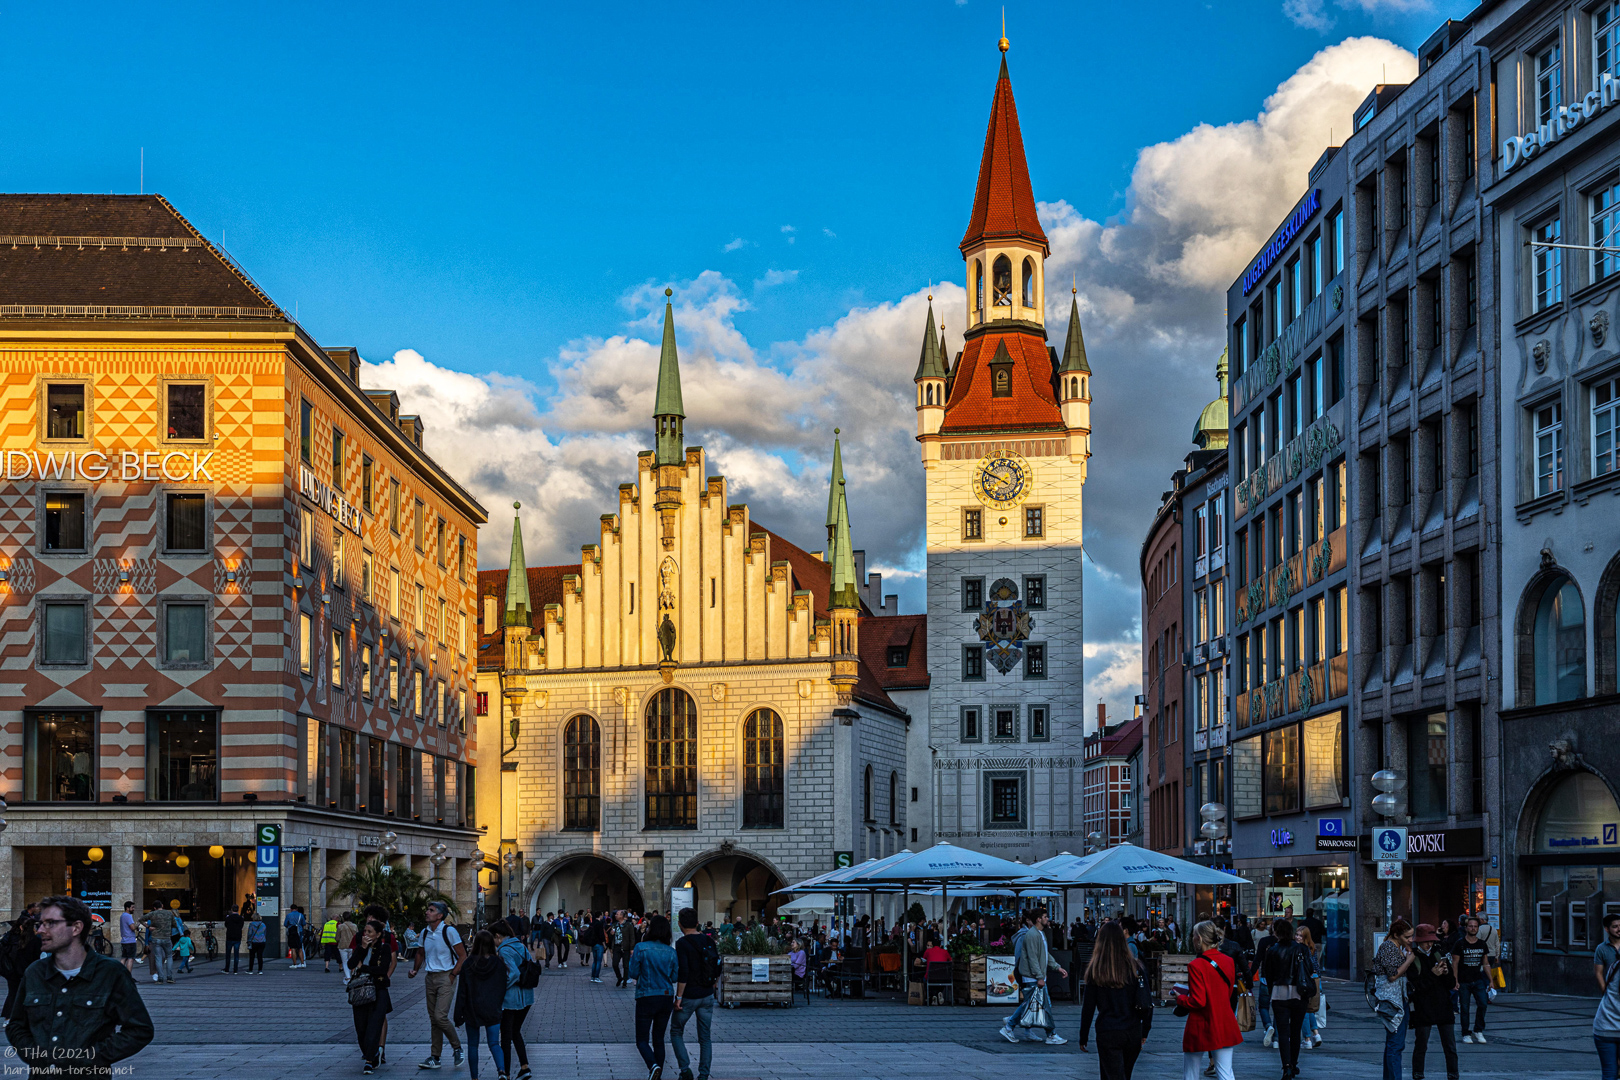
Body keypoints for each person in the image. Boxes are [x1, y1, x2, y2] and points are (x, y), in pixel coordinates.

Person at [5, 895, 152, 1075]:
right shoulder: (35, 973)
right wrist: (37, 1056)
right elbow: (16, 1025)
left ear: (76, 928)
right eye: (40, 923)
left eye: (50, 923)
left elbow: (140, 1029)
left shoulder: (110, 973)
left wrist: (92, 1057)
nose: (41, 930)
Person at [1077, 922, 1153, 1080]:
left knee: (1111, 1074)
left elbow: (1088, 1008)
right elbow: (1147, 1000)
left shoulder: (1096, 970)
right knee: (1124, 1074)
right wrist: (1144, 1030)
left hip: (1108, 1029)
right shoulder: (1135, 968)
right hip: (1132, 1030)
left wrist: (1083, 1036)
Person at [1172, 920, 1240, 1080]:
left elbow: (1198, 1001)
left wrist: (1180, 998)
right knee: (1226, 1073)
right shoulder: (1228, 961)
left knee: (1191, 1073)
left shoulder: (1196, 965)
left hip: (1201, 1023)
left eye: (1194, 936)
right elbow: (1228, 991)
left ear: (1200, 939)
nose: (1193, 939)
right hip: (1224, 1021)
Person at [409, 900, 466, 1070]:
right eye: (428, 909)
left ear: (440, 915)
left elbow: (462, 956)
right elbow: (420, 952)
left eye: (431, 910)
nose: (427, 912)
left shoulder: (449, 931)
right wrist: (415, 970)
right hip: (430, 977)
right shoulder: (425, 932)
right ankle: (435, 1057)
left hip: (445, 976)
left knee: (440, 1016)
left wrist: (453, 975)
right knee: (434, 1019)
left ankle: (457, 1048)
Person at [998, 908, 1068, 1045]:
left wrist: (1057, 967)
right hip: (1032, 977)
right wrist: (1039, 976)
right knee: (1040, 1005)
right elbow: (1032, 958)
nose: (1047, 919)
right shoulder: (1032, 935)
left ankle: (1011, 1025)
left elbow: (1045, 955)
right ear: (1038, 919)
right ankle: (1050, 1034)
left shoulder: (1040, 934)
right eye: (1045, 916)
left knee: (1031, 1004)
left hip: (1035, 977)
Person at [629, 913, 679, 1080]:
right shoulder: (671, 952)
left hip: (646, 996)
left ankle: (653, 1065)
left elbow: (633, 973)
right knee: (659, 1038)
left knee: (641, 1040)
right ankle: (658, 1073)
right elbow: (674, 977)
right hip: (666, 997)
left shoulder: (641, 948)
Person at [453, 931, 507, 1080]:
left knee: (473, 1045)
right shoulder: (499, 963)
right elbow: (503, 986)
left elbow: (462, 991)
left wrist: (458, 1015)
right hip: (493, 1008)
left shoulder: (469, 964)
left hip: (472, 1008)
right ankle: (502, 1071)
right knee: (494, 1043)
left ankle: (475, 1077)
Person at [1260, 918, 1310, 1078]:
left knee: (1283, 1032)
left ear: (1276, 933)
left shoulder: (1272, 950)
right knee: (1296, 1031)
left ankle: (1286, 1066)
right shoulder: (1301, 949)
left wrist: (1271, 990)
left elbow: (1268, 974)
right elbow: (1308, 969)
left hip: (1279, 994)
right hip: (1299, 994)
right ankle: (1294, 1064)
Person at [672, 907, 718, 1080]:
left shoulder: (682, 943)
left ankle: (685, 1070)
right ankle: (704, 1075)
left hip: (689, 995)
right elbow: (716, 966)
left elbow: (683, 972)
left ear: (679, 924)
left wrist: (678, 998)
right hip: (707, 995)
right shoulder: (709, 941)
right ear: (698, 923)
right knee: (705, 1037)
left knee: (676, 1031)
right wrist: (712, 985)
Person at [1409, 924, 1458, 1080]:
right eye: (1425, 941)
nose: (1428, 944)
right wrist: (1433, 974)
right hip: (1424, 1009)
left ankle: (1453, 1073)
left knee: (1450, 1045)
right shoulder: (1413, 958)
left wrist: (1445, 973)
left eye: (1431, 941)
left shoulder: (1439, 954)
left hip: (1443, 1007)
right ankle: (1418, 1073)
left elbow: (1451, 984)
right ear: (1418, 942)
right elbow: (1416, 987)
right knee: (1421, 1044)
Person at [348, 919, 395, 1075]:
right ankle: (371, 1053)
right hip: (361, 991)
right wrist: (362, 948)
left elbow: (382, 969)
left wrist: (364, 967)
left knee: (374, 1026)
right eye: (364, 932)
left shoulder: (384, 948)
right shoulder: (361, 948)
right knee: (361, 1028)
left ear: (378, 934)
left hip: (378, 990)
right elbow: (351, 964)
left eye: (369, 932)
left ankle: (369, 1061)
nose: (365, 934)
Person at [1373, 919, 1417, 1080]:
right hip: (1392, 1001)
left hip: (1398, 999)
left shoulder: (1396, 947)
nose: (1410, 940)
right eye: (1407, 937)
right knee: (1395, 1044)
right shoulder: (1389, 948)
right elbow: (1392, 975)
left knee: (1395, 1043)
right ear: (1396, 935)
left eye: (1412, 936)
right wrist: (1409, 960)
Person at [492, 920, 534, 1080]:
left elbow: (514, 974)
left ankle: (506, 1073)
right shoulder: (521, 946)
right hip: (527, 997)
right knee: (515, 1032)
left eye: (493, 940)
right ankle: (525, 1067)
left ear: (497, 936)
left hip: (511, 1000)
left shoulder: (504, 950)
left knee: (506, 1036)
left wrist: (500, 989)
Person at [1451, 916, 1494, 1044]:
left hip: (1478, 979)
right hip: (1464, 981)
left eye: (1475, 926)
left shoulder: (1481, 944)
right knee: (1464, 1008)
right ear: (1466, 928)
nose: (1473, 928)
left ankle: (1478, 1030)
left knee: (1483, 1004)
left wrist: (1491, 980)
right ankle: (1466, 1033)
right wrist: (1455, 980)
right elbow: (1455, 963)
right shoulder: (1460, 943)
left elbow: (1486, 963)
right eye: (1470, 926)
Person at [1594, 912, 1620, 1080]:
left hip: (1604, 1025)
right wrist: (1606, 991)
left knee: (1610, 1073)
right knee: (1610, 1072)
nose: (1619, 929)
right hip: (1608, 1023)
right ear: (1607, 929)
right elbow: (1598, 972)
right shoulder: (1602, 948)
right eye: (1615, 926)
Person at [1296, 925, 1322, 1049]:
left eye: (1300, 935)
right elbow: (1316, 965)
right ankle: (1316, 1034)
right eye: (1296, 934)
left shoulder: (1302, 949)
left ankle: (1307, 1039)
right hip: (1315, 979)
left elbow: (1308, 967)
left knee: (1304, 1010)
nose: (1297, 937)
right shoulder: (1312, 948)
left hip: (1306, 980)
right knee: (1310, 1008)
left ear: (1305, 937)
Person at [142, 900, 175, 985]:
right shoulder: (169, 913)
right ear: (162, 905)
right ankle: (170, 977)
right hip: (167, 938)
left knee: (158, 957)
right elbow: (174, 924)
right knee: (169, 957)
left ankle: (160, 978)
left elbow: (140, 919)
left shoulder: (152, 914)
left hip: (156, 938)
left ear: (154, 908)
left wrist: (148, 926)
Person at [614, 910, 640, 988]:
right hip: (617, 946)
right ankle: (619, 977)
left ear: (622, 916)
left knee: (626, 965)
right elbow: (612, 936)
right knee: (614, 964)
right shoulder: (615, 925)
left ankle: (625, 981)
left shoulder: (628, 925)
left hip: (626, 947)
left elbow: (632, 937)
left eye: (617, 914)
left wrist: (631, 948)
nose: (615, 915)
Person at [118, 901, 138, 974]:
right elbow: (132, 927)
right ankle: (128, 976)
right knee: (130, 959)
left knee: (124, 958)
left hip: (124, 940)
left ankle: (120, 974)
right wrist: (137, 925)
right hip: (130, 940)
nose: (134, 909)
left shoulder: (122, 916)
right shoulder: (128, 916)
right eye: (132, 907)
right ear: (127, 908)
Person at [336, 912, 358, 980]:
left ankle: (348, 977)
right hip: (352, 946)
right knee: (352, 961)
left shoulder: (340, 926)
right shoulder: (354, 926)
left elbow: (337, 938)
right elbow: (357, 936)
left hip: (343, 946)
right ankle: (352, 975)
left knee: (345, 962)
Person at [284, 905, 306, 969]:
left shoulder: (288, 915)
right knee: (300, 948)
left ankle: (294, 964)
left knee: (293, 948)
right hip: (299, 932)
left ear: (291, 909)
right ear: (296, 909)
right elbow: (304, 923)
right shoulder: (300, 915)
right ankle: (302, 963)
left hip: (292, 932)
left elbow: (285, 924)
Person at [246, 909, 267, 974]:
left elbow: (249, 933)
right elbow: (265, 933)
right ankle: (260, 970)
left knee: (252, 956)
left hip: (254, 941)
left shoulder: (251, 924)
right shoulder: (263, 924)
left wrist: (248, 940)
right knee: (260, 956)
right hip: (262, 941)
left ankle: (250, 970)